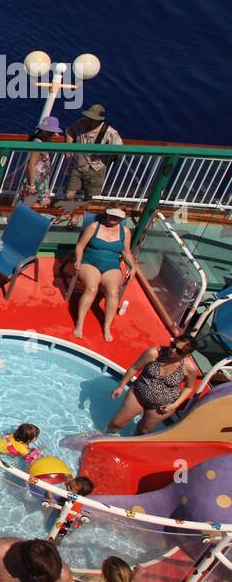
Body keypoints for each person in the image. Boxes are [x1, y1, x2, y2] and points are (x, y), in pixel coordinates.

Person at [107, 334, 201, 435]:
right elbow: (134, 368)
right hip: (138, 395)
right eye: (173, 345)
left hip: (163, 406)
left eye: (179, 351)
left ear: (187, 355)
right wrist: (121, 386)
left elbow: (189, 387)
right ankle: (102, 436)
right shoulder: (154, 353)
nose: (172, 350)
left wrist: (174, 405)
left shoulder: (189, 368)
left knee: (142, 432)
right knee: (116, 423)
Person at [71, 207, 135, 342]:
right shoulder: (94, 227)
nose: (113, 218)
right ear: (106, 214)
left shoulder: (125, 232)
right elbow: (80, 246)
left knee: (113, 292)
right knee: (91, 288)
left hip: (111, 266)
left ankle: (106, 326)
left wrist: (133, 267)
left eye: (117, 217)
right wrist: (78, 259)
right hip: (90, 263)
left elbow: (126, 252)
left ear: (122, 218)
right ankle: (80, 323)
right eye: (111, 215)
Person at [64, 104, 121, 202]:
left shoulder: (110, 132)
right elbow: (70, 130)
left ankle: (80, 215)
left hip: (95, 169)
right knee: (69, 194)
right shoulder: (80, 123)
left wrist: (106, 156)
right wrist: (68, 148)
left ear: (99, 120)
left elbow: (119, 149)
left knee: (88, 197)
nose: (88, 120)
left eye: (92, 118)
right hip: (79, 166)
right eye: (88, 117)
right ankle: (69, 212)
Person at [22, 116, 63, 207]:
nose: (51, 134)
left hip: (42, 179)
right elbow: (31, 164)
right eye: (49, 131)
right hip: (36, 179)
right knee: (41, 202)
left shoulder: (45, 140)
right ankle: (24, 213)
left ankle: (26, 214)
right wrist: (32, 185)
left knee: (38, 201)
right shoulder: (37, 143)